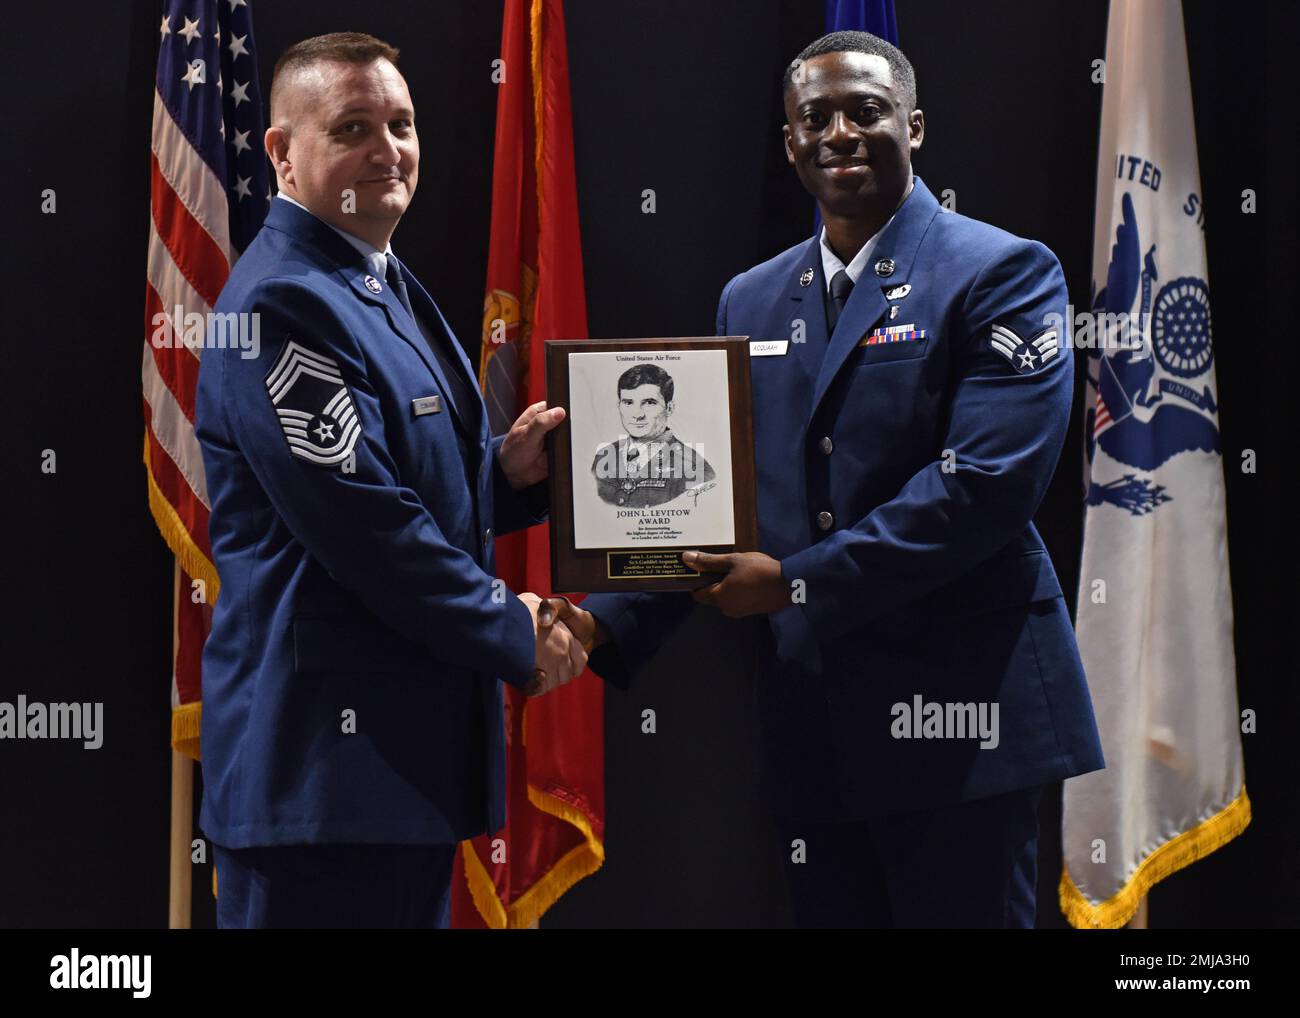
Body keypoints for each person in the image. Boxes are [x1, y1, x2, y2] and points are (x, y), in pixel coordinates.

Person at [545, 30, 1105, 928]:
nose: (840, 131)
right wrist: (599, 622)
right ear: (789, 143)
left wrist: (797, 581)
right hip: (818, 728)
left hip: (958, 718)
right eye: (816, 117)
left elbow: (986, 488)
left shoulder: (1001, 271)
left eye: (866, 111)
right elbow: (714, 491)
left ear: (914, 127)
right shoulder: (752, 298)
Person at [194, 32, 586, 929]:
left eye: (401, 123)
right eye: (353, 127)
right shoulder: (277, 304)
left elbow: (393, 485)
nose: (389, 149)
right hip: (321, 785)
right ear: (283, 154)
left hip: (390, 774)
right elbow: (366, 531)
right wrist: (511, 629)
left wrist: (505, 475)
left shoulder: (375, 281)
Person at [591, 364, 715, 507]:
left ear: (669, 408)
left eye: (649, 403)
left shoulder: (693, 467)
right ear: (619, 406)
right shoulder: (604, 457)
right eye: (628, 403)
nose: (637, 415)